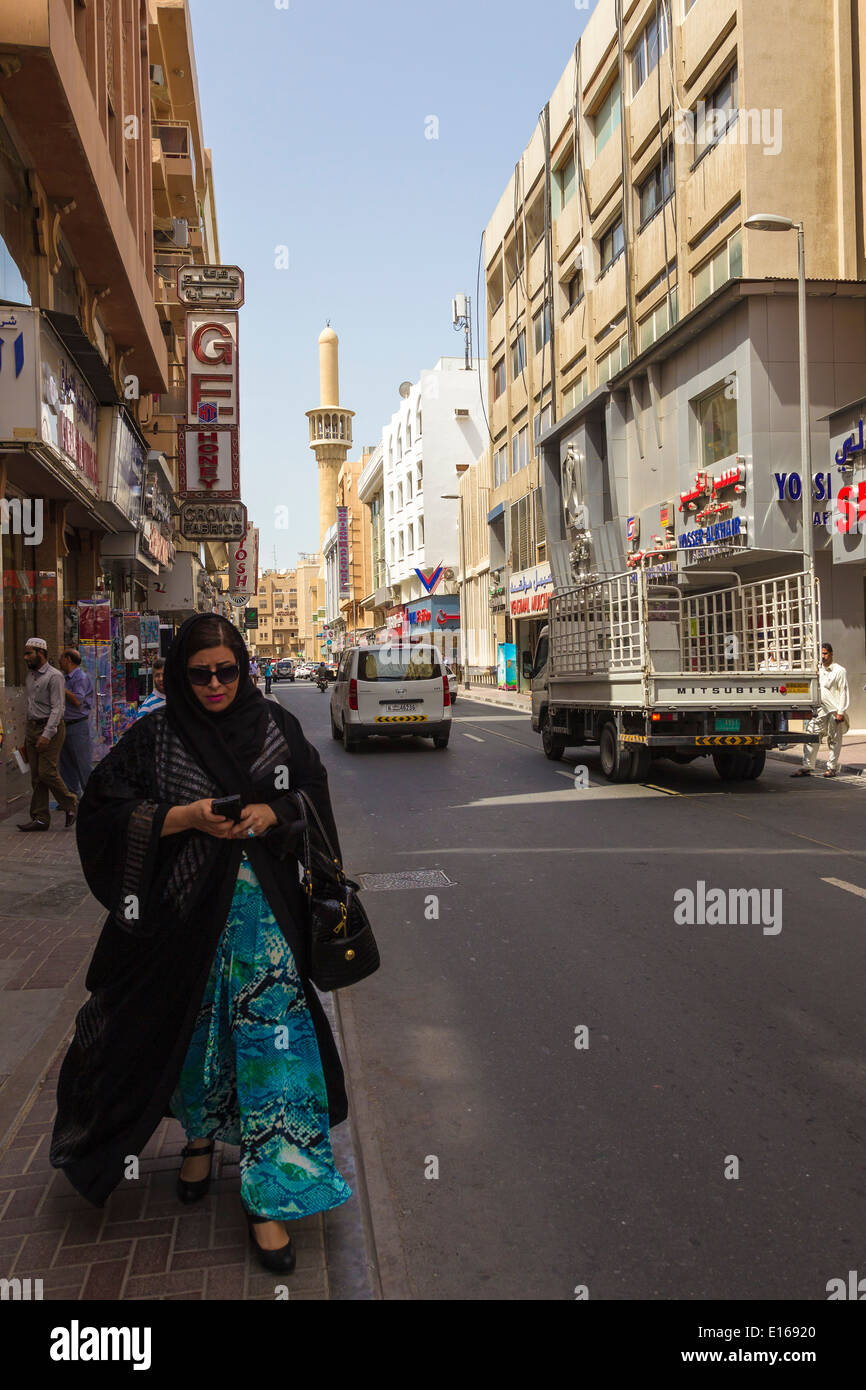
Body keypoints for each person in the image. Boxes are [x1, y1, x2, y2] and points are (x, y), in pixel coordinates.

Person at [50, 614, 351, 1272]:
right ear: (178, 675)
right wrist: (180, 818)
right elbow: (102, 808)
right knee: (193, 1041)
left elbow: (313, 791)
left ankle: (273, 1198)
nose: (215, 684)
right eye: (199, 673)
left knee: (277, 1054)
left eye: (227, 670)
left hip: (265, 930)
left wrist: (277, 812)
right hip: (182, 926)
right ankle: (199, 1142)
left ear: (244, 668)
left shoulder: (275, 726)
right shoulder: (155, 737)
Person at [18, 638, 78, 832]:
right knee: (36, 776)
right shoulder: (30, 676)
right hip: (32, 728)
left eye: (29, 653)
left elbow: (58, 708)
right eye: (25, 653)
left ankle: (71, 802)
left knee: (47, 772)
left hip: (50, 728)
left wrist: (47, 734)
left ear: (41, 653)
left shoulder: (54, 676)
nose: (26, 657)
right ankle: (41, 817)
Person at [792, 642, 850, 779]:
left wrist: (841, 711)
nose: (822, 657)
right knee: (811, 734)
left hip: (834, 711)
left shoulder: (839, 671)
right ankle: (807, 767)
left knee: (834, 740)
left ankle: (832, 768)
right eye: (821, 654)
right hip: (820, 709)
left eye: (825, 654)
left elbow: (843, 692)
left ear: (831, 654)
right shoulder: (818, 670)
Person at [58, 649, 94, 800]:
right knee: (66, 764)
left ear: (68, 659)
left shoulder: (79, 677)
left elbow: (78, 700)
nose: (59, 662)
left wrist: (62, 689)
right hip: (66, 725)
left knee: (82, 763)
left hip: (77, 726)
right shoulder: (66, 677)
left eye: (61, 658)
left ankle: (92, 797)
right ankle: (71, 798)